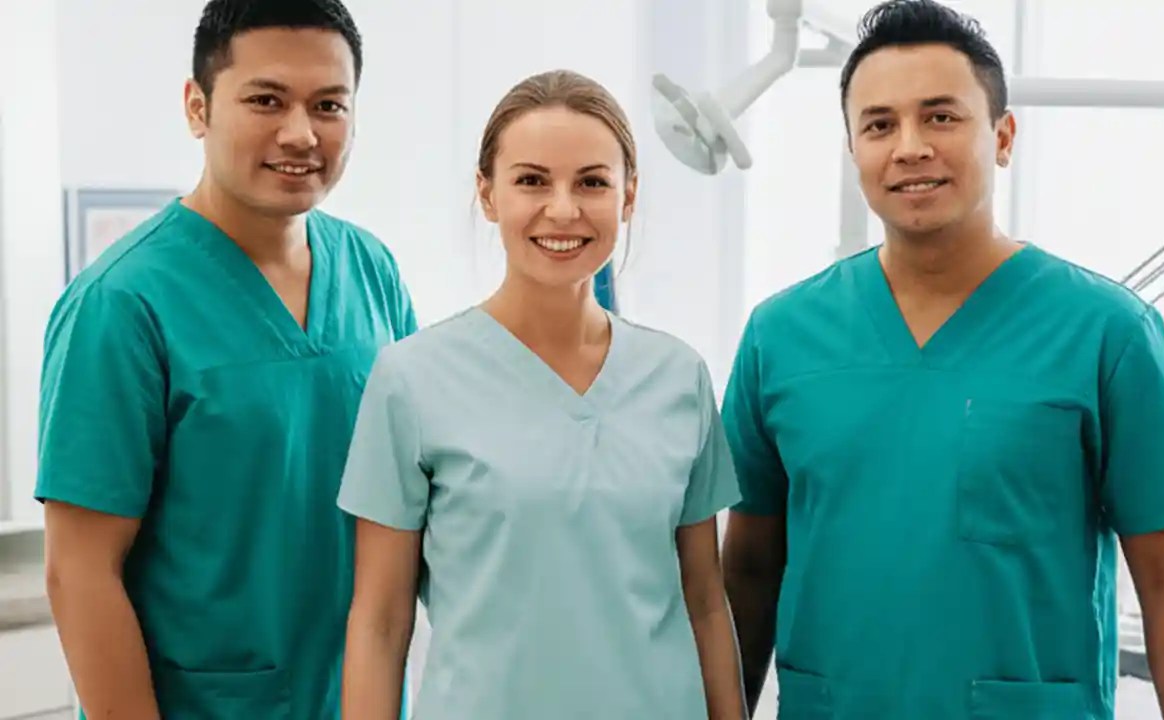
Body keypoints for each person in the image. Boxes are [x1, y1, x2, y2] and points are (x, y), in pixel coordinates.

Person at [720, 1, 1164, 718]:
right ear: (853, 150)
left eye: (940, 117)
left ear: (1003, 136)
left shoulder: (1107, 333)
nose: (910, 147)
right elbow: (747, 571)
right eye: (879, 125)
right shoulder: (780, 337)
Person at [36, 1, 416, 718]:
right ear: (197, 107)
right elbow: (80, 573)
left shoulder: (372, 271)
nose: (301, 133)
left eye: (328, 105)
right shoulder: (120, 305)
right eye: (267, 100)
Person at [336, 69, 747, 719]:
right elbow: (380, 623)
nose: (563, 209)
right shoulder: (413, 380)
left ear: (628, 197)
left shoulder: (678, 377)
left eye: (592, 182)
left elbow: (704, 602)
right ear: (487, 193)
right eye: (531, 181)